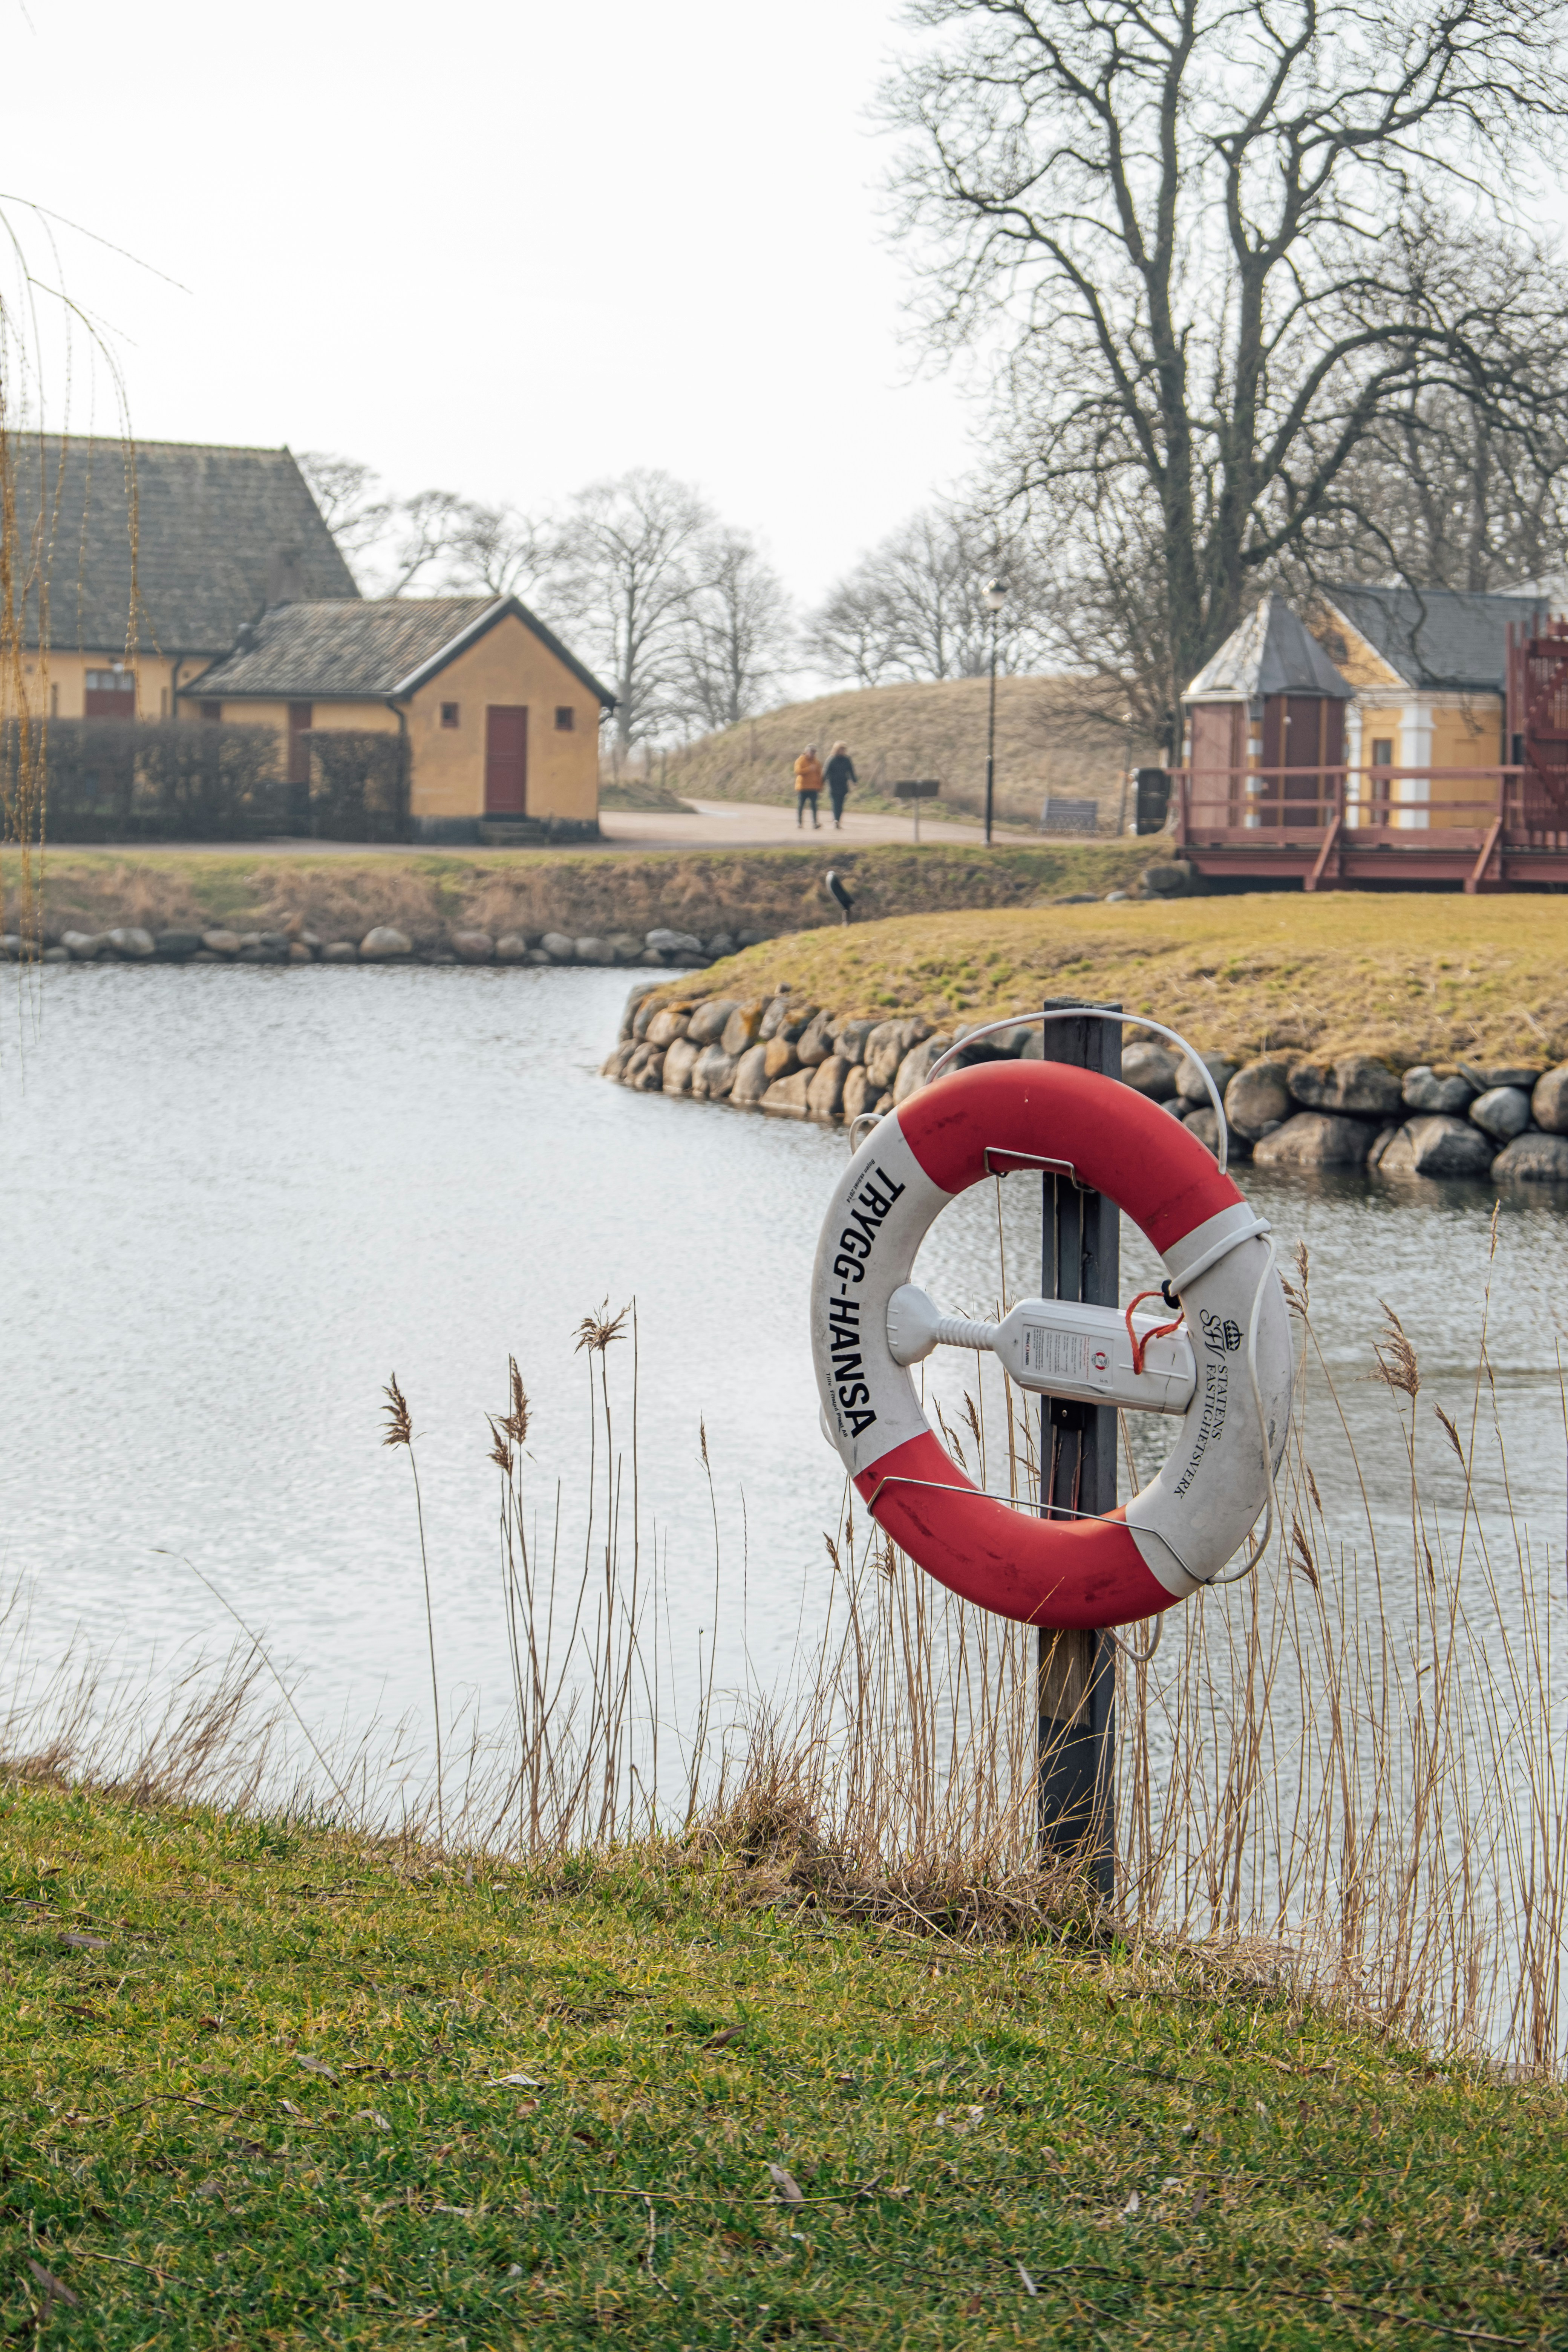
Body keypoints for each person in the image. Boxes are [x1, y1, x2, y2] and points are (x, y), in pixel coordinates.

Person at [824, 741, 856, 828]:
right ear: (837, 750)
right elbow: (826, 772)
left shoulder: (847, 760)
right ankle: (836, 820)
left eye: (844, 750)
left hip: (843, 785)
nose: (843, 751)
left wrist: (854, 781)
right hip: (833, 784)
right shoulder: (831, 759)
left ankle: (838, 820)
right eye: (841, 749)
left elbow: (851, 771)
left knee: (841, 804)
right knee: (835, 803)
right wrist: (822, 783)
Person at [794, 744, 824, 828]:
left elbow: (820, 775)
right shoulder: (800, 760)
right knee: (801, 805)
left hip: (814, 788)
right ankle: (799, 823)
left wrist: (820, 786)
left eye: (814, 753)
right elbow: (798, 771)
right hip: (803, 787)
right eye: (812, 752)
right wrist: (809, 769)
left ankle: (815, 823)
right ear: (807, 752)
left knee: (814, 806)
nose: (813, 754)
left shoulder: (817, 762)